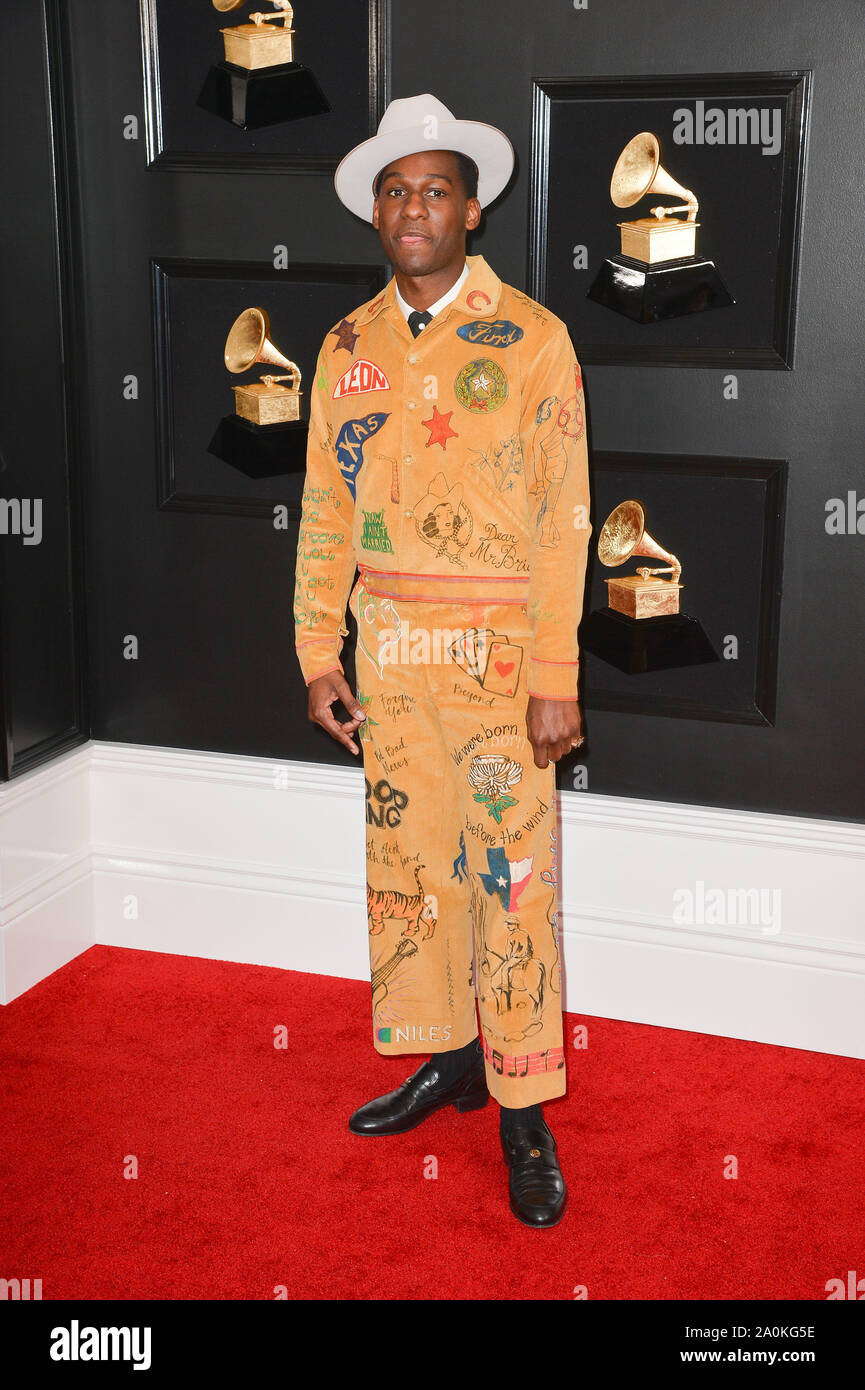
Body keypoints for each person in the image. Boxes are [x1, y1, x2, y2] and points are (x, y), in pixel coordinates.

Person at [293, 93, 591, 1228]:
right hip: (392, 665)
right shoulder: (343, 347)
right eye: (394, 190)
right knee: (412, 879)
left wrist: (555, 674)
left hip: (503, 664)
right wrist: (320, 650)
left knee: (512, 889)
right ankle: (451, 1058)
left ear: (471, 207)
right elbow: (324, 509)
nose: (413, 208)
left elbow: (567, 516)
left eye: (434, 188)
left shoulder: (533, 340)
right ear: (376, 213)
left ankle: (524, 1108)